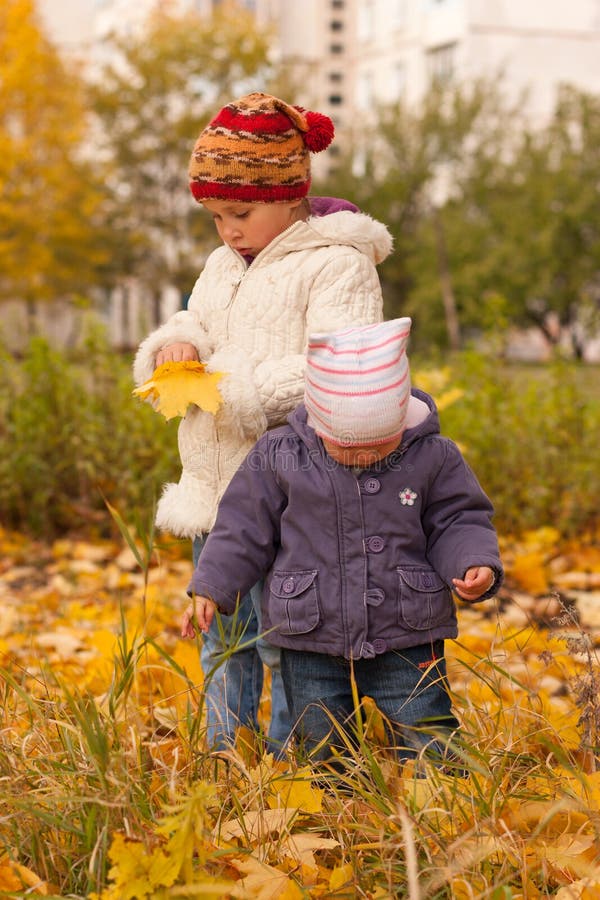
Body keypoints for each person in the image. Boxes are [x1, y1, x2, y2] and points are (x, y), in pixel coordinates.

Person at [133, 92, 393, 754]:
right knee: (224, 632)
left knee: (292, 637)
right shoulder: (224, 264)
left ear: (291, 194)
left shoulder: (337, 264)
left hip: (294, 498)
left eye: (240, 212)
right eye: (216, 216)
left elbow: (339, 368)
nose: (227, 230)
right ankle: (225, 755)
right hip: (218, 487)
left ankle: (296, 763)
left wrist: (233, 390)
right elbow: (200, 317)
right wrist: (179, 342)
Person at [181, 318, 504, 765]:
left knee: (425, 724)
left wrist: (474, 561)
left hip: (406, 627)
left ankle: (443, 797)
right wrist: (212, 587)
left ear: (401, 417)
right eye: (346, 448)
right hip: (309, 629)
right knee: (320, 734)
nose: (363, 457)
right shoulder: (279, 456)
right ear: (317, 421)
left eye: (378, 445)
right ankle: (336, 801)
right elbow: (242, 526)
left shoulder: (434, 457)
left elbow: (458, 519)